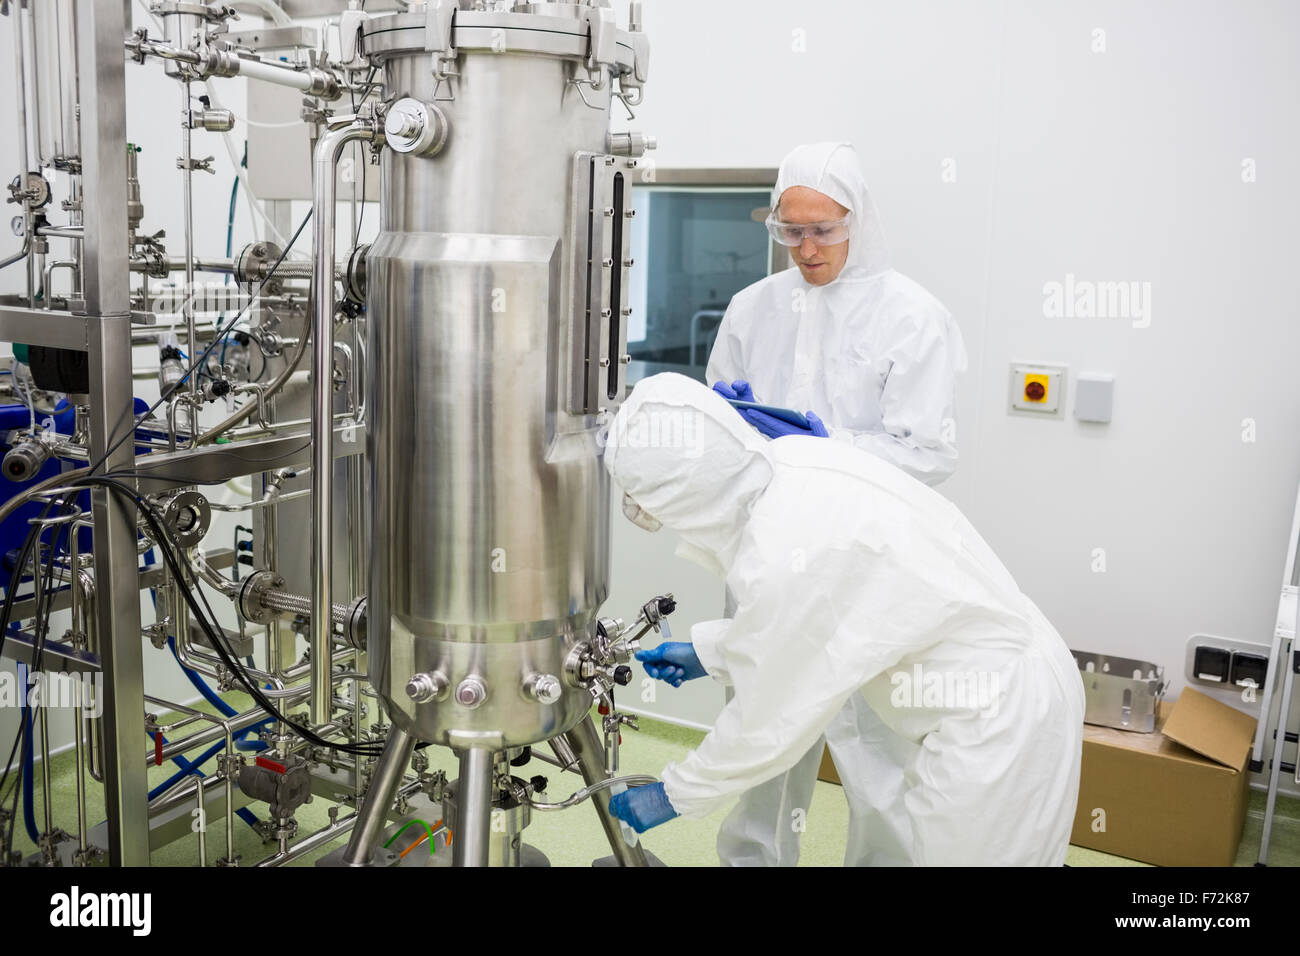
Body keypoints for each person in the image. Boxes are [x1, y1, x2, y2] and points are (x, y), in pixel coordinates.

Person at [604, 373, 1084, 866]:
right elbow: (817, 620)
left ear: (686, 498)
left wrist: (675, 792)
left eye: (652, 507)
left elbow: (766, 725)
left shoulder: (782, 553)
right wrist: (710, 653)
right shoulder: (796, 464)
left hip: (994, 720)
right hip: (1015, 679)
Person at [703, 141, 969, 866]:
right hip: (768, 555)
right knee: (762, 732)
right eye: (791, 231)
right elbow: (723, 420)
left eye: (823, 230)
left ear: (860, 222)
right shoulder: (753, 308)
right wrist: (723, 427)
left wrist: (832, 448)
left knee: (873, 750)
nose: (807, 248)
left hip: (866, 563)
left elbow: (929, 451)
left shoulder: (911, 316)